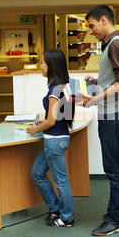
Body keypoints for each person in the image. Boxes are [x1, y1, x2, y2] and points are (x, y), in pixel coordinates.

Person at [77, 5, 119, 236]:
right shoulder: (111, 44)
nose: (90, 31)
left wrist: (95, 99)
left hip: (114, 114)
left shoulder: (116, 44)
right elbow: (116, 77)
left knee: (114, 168)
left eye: (91, 25)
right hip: (116, 112)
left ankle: (116, 219)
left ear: (103, 20)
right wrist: (99, 79)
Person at [27, 49, 76, 227]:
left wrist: (35, 129)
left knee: (61, 180)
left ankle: (66, 217)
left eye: (42, 62)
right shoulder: (65, 86)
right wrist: (46, 119)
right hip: (58, 137)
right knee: (37, 173)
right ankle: (55, 208)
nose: (40, 66)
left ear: (51, 65)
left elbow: (51, 121)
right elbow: (62, 115)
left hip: (54, 140)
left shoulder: (56, 89)